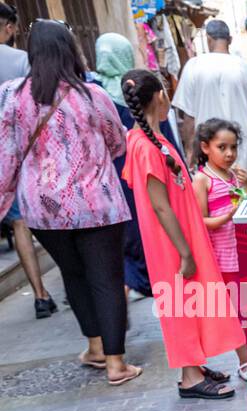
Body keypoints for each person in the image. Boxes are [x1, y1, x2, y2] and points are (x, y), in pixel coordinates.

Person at [0, 20, 139, 384]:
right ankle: (115, 363)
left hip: (43, 211)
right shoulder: (93, 95)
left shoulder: (11, 96)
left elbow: (7, 157)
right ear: (70, 51)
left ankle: (95, 347)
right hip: (98, 204)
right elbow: (118, 143)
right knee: (107, 279)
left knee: (73, 276)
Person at [121, 68, 246, 400]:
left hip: (183, 235)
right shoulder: (143, 146)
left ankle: (194, 365)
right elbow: (160, 207)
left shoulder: (154, 140)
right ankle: (190, 376)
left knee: (193, 301)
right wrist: (186, 253)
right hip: (171, 242)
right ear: (160, 96)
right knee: (180, 305)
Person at [95, 31, 182, 300]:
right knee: (154, 218)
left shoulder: (97, 93)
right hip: (150, 170)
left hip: (118, 175)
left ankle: (133, 280)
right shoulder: (141, 89)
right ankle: (153, 275)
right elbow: (164, 135)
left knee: (131, 229)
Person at [191, 117, 247, 381]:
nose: (230, 153)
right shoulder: (202, 179)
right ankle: (245, 362)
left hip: (245, 253)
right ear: (206, 147)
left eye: (233, 147)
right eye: (222, 147)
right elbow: (201, 222)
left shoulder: (237, 176)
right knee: (236, 313)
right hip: (224, 258)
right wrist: (229, 215)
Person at [0, 4, 56, 319]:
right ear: (8, 26)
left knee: (19, 222)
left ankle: (39, 294)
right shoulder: (21, 60)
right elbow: (38, 107)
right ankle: (72, 279)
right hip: (24, 152)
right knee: (46, 215)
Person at [172, 20, 247, 183]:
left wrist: (190, 151)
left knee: (216, 203)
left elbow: (189, 119)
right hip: (244, 151)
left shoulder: (194, 66)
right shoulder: (245, 68)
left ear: (208, 39)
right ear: (230, 40)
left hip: (210, 154)